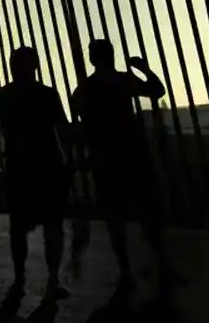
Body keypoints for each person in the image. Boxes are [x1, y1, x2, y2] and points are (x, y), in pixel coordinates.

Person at [70, 39, 172, 294]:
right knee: (146, 211)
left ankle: (125, 269)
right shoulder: (123, 81)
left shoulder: (85, 88)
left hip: (106, 157)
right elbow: (157, 90)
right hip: (131, 153)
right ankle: (160, 263)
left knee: (115, 216)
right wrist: (144, 69)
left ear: (92, 59)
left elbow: (80, 124)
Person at [0, 46, 70, 301]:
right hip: (48, 166)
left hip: (20, 169)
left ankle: (21, 280)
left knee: (19, 228)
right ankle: (52, 280)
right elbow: (63, 130)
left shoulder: (1, 97)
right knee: (52, 226)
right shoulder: (47, 94)